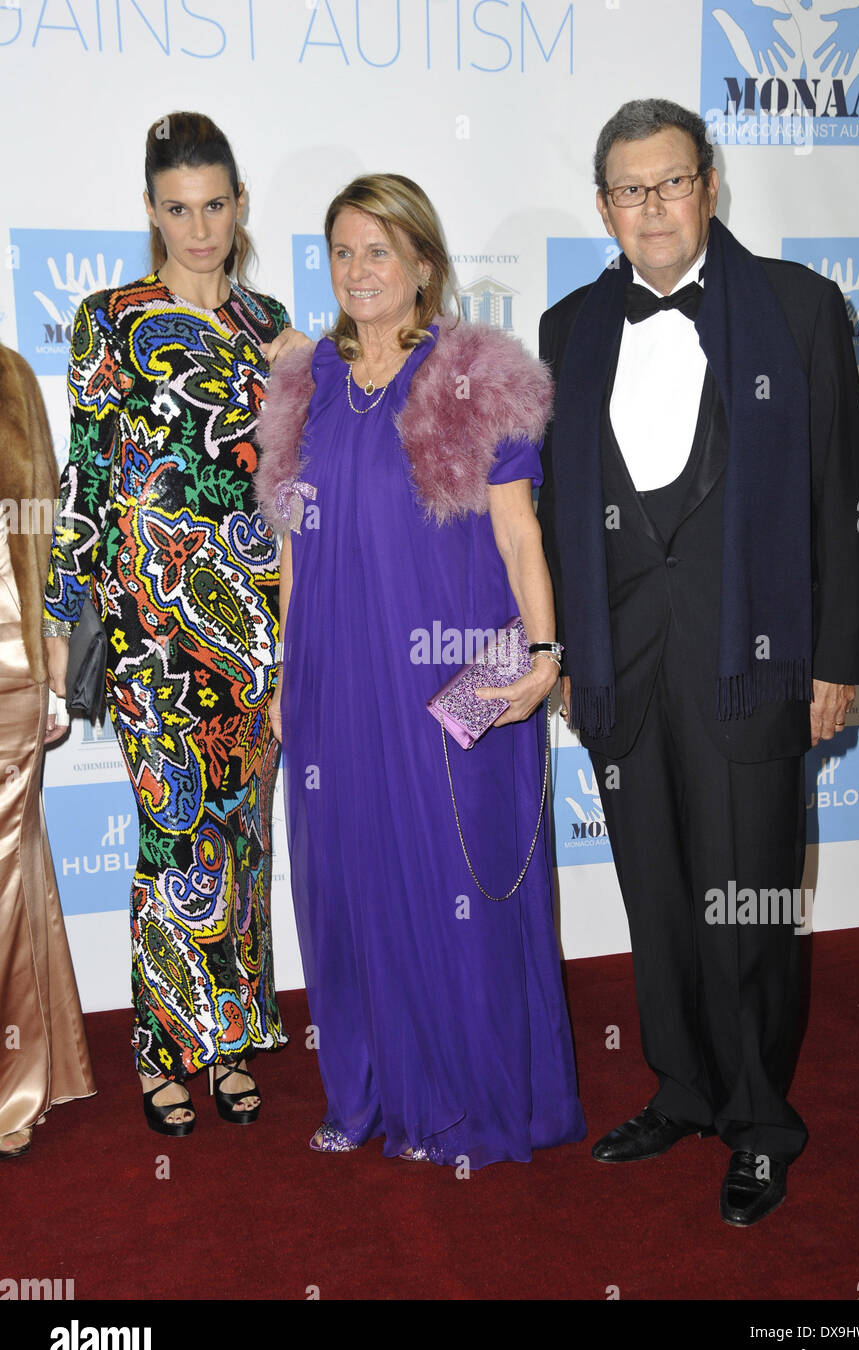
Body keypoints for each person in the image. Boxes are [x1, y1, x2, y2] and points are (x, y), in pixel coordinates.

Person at [537, 99, 859, 1224]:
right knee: (659, 895)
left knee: (747, 903)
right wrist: (571, 651)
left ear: (708, 183)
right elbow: (553, 513)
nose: (651, 207)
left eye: (668, 182)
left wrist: (836, 655)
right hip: (623, 665)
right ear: (603, 206)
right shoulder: (567, 327)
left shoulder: (796, 306)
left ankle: (758, 1118)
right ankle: (681, 1086)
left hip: (754, 657)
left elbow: (841, 488)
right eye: (628, 189)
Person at [255, 173, 585, 1167]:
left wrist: (542, 653)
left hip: (451, 664)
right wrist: (284, 672)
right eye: (342, 251)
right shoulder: (304, 384)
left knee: (453, 875)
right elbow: (293, 548)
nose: (358, 271)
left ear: (423, 266)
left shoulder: (473, 374)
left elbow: (520, 533)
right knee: (348, 881)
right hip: (333, 668)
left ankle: (462, 1100)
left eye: (379, 252)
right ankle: (368, 1093)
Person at [43, 112, 299, 1135]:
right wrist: (70, 614)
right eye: (178, 209)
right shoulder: (108, 320)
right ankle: (163, 1046)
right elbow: (88, 480)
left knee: (241, 838)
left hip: (255, 630)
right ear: (152, 212)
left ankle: (229, 1038)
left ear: (239, 207)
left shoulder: (271, 324)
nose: (200, 228)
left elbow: (288, 486)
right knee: (171, 836)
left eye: (216, 205)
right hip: (152, 630)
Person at [0, 345, 95, 1158]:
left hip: (7, 670)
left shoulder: (8, 377)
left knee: (8, 871)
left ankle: (14, 1083)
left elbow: (45, 524)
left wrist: (52, 665)